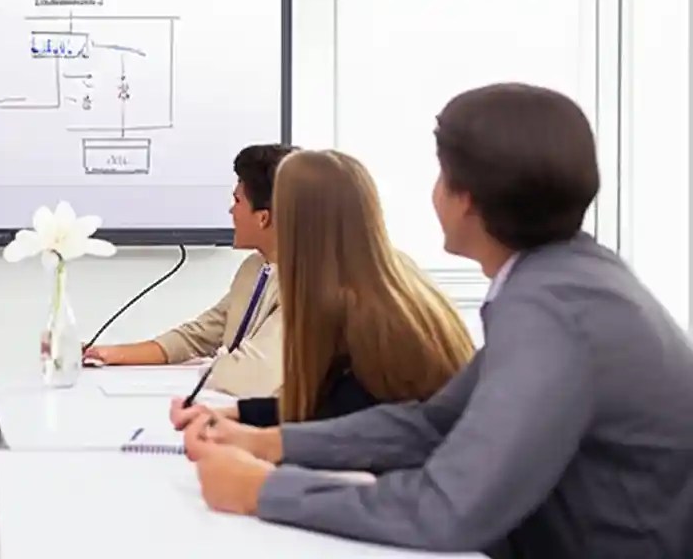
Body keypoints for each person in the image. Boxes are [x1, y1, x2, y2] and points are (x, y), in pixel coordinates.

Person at [181, 83, 693, 558]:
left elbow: (445, 510)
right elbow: (433, 424)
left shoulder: (552, 311)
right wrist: (270, 442)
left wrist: (262, 490)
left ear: (464, 197)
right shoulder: (571, 280)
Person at [173, 149, 474, 430]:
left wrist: (261, 447)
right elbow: (335, 406)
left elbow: (367, 430)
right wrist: (237, 416)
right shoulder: (377, 275)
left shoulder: (358, 305)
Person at [83, 144, 296, 397]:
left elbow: (248, 377)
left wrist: (215, 366)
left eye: (237, 201)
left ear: (263, 218)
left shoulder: (304, 284)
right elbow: (198, 336)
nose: (231, 211)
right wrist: (108, 354)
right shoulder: (253, 268)